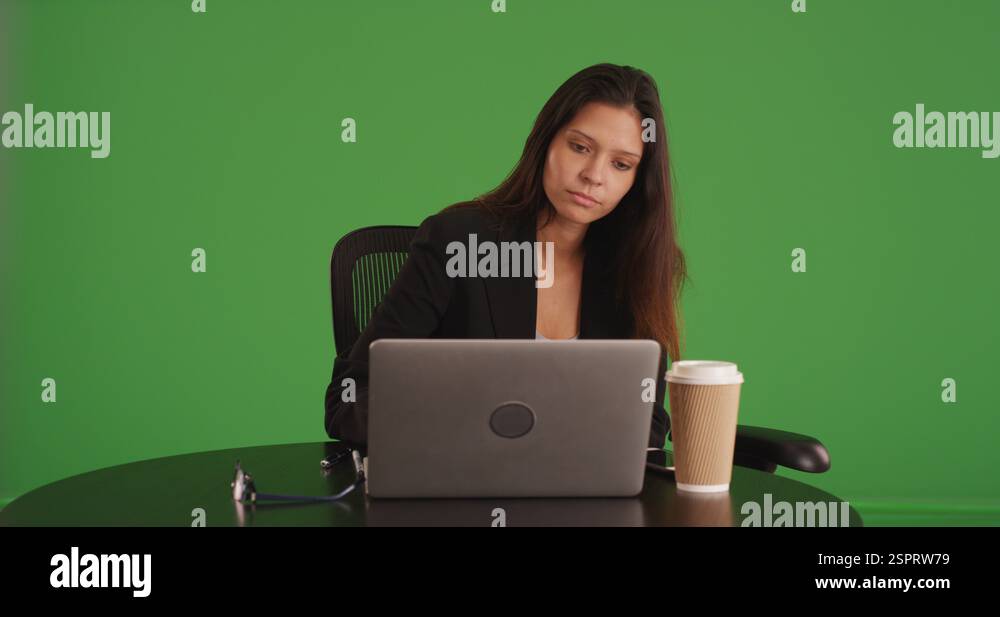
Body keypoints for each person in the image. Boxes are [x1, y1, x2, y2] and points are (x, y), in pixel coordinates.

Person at [324, 63, 689, 449]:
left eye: (621, 164)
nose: (594, 175)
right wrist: (453, 440)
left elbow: (647, 418)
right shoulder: (458, 242)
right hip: (456, 491)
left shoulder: (638, 267)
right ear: (545, 142)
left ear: (637, 180)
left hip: (581, 499)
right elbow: (352, 394)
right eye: (579, 147)